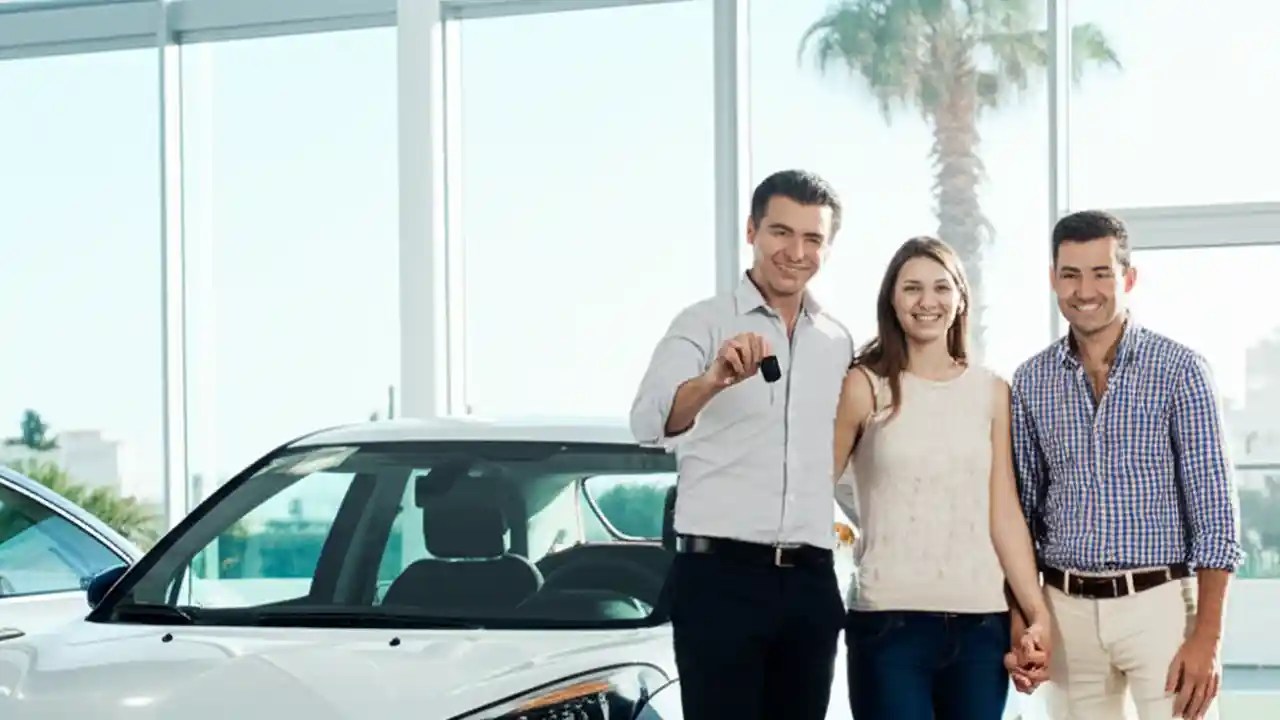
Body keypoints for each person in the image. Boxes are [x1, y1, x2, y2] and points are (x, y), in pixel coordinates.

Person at [629, 169, 855, 720]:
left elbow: (848, 469)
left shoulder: (837, 341)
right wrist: (712, 382)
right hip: (719, 581)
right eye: (781, 232)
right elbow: (648, 422)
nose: (795, 251)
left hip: (810, 581)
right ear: (752, 230)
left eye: (813, 238)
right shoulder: (703, 322)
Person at [1010, 209, 1245, 720]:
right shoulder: (1030, 381)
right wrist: (1026, 619)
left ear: (1128, 278)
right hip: (1065, 609)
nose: (1084, 289)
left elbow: (1216, 519)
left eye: (1101, 273)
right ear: (1053, 279)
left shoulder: (1181, 372)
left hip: (1160, 607)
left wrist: (1208, 638)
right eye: (1070, 274)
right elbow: (1023, 517)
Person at [830, 236, 1051, 720]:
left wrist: (1037, 612)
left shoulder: (992, 391)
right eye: (911, 288)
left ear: (960, 299)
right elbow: (816, 486)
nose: (927, 301)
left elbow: (1004, 513)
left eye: (940, 287)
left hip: (981, 628)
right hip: (888, 626)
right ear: (892, 299)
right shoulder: (864, 385)